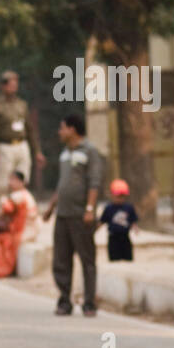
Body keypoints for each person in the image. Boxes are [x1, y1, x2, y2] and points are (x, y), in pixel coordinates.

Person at [42, 113, 104, 316]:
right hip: (63, 214)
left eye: (62, 128)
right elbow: (62, 184)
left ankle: (89, 303)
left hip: (80, 214)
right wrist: (51, 207)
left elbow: (94, 182)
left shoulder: (90, 152)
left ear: (72, 129)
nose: (60, 132)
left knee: (87, 259)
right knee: (61, 259)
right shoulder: (65, 154)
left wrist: (89, 209)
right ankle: (64, 300)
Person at [0, 70, 45, 217]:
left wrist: (37, 151)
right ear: (3, 86)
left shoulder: (22, 104)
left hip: (21, 145)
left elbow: (30, 129)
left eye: (15, 83)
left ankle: (18, 212)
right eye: (10, 83)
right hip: (4, 146)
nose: (13, 86)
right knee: (2, 183)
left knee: (23, 180)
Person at [0, 171, 35, 279]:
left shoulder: (21, 196)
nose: (11, 183)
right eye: (11, 179)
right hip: (14, 227)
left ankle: (1, 268)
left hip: (20, 228)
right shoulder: (14, 195)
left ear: (21, 182)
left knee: (2, 239)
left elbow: (9, 210)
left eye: (14, 180)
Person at [100, 178, 138, 262]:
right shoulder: (109, 208)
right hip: (113, 237)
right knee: (114, 258)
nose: (120, 199)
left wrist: (135, 228)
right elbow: (102, 221)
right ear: (112, 195)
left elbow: (133, 220)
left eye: (122, 196)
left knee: (127, 258)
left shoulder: (129, 207)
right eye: (118, 196)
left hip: (125, 236)